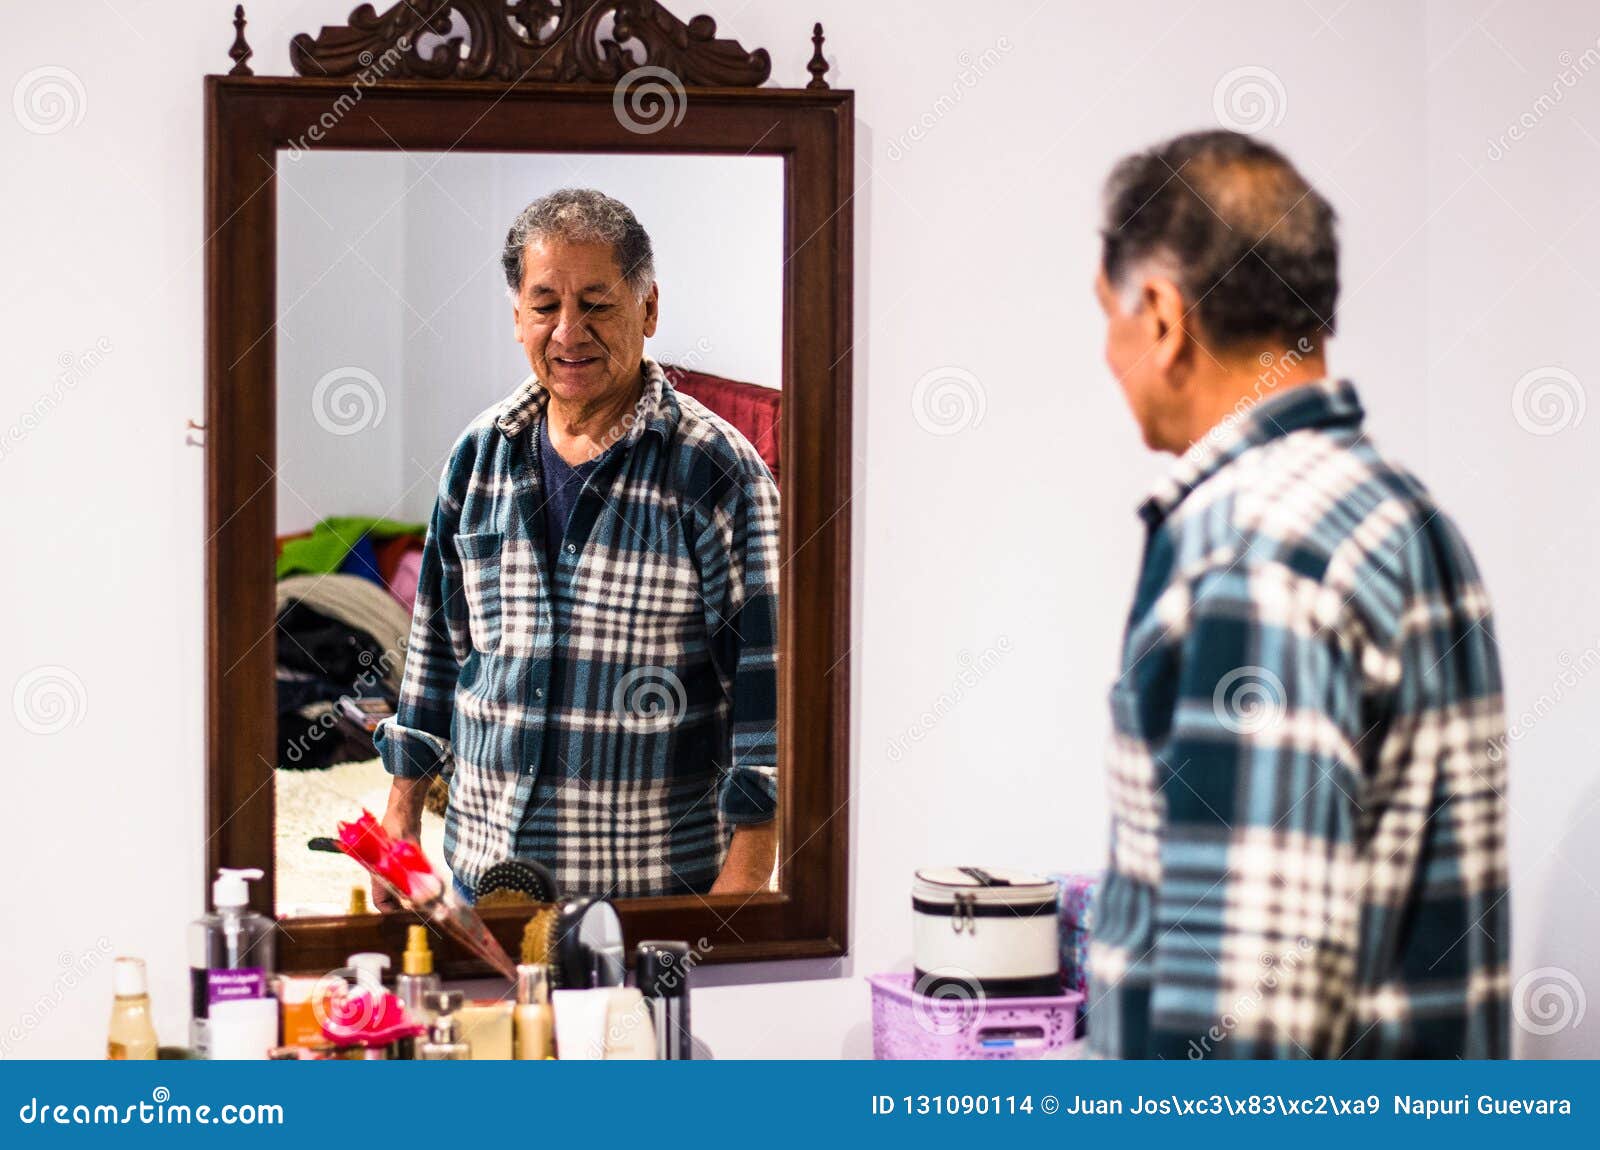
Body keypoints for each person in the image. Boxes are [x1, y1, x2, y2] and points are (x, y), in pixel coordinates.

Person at [1088, 130, 1510, 1058]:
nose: (1107, 355)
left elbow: (1246, 1017)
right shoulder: (1403, 513)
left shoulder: (1252, 549)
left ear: (1161, 316)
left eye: (1106, 314)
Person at [372, 189, 779, 905]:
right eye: (545, 305)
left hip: (646, 895)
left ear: (649, 309)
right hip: (482, 883)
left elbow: (766, 688)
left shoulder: (716, 470)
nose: (568, 333)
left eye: (596, 303)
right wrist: (401, 812)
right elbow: (436, 651)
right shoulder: (477, 457)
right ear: (517, 316)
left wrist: (747, 877)